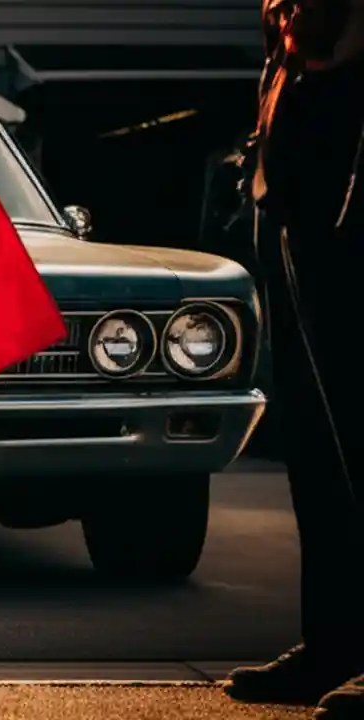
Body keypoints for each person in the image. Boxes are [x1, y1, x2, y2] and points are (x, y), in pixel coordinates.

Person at [223, 0, 364, 717]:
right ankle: (334, 643)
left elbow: (330, 37)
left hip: (344, 194)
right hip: (294, 197)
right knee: (313, 443)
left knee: (355, 434)